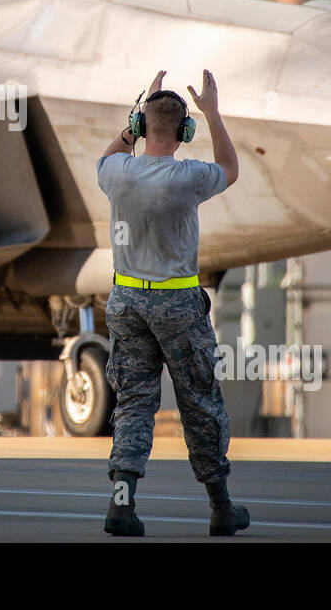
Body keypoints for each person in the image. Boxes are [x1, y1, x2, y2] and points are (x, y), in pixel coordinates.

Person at [96, 69, 250, 538]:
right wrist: (213, 112)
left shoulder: (117, 173)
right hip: (177, 303)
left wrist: (133, 120)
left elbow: (111, 153)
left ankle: (122, 505)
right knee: (199, 401)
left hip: (126, 300)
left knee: (134, 404)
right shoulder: (189, 177)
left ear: (142, 128)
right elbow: (231, 168)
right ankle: (221, 508)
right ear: (185, 134)